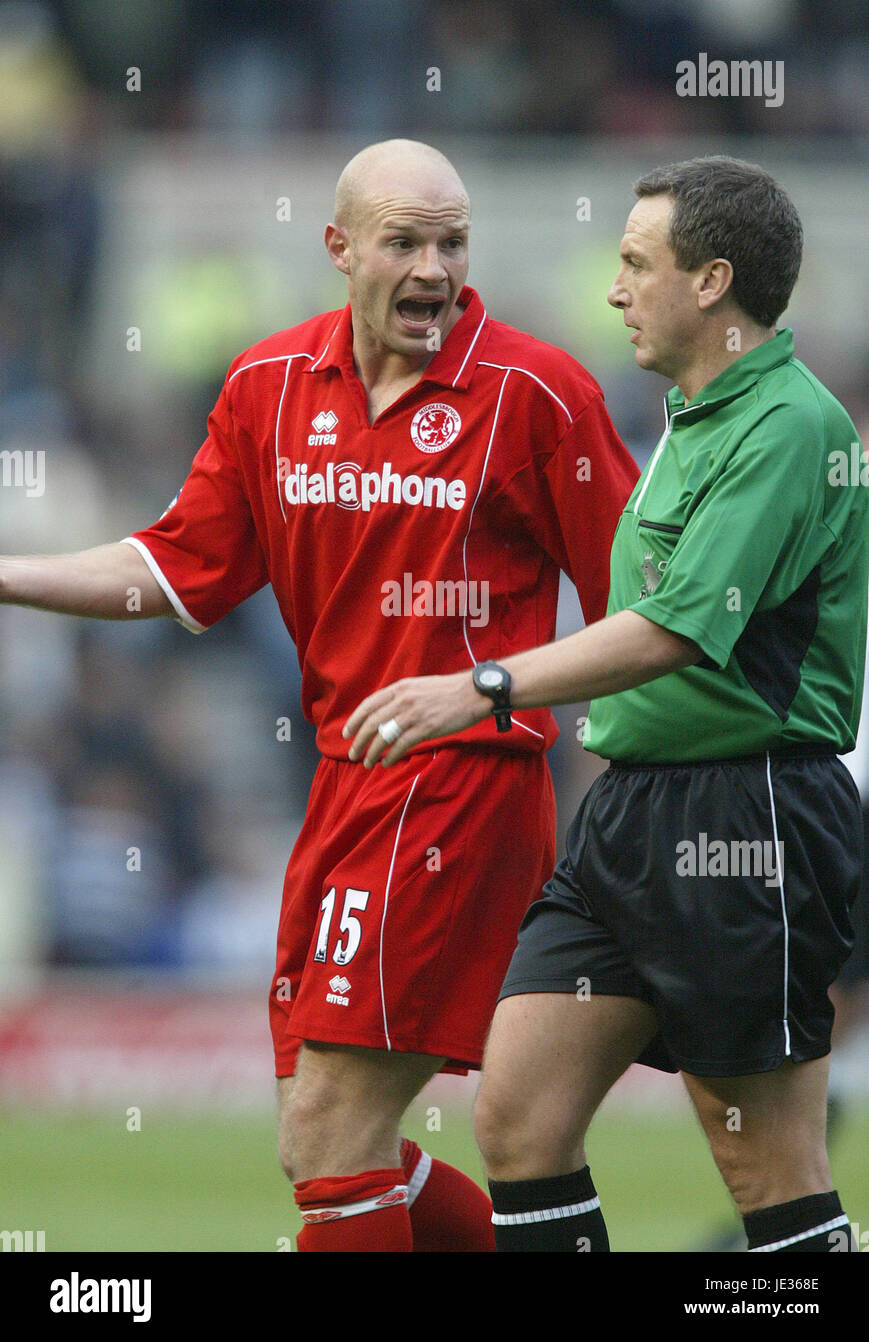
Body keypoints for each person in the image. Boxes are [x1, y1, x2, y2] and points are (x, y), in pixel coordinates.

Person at [0, 138, 639, 1251]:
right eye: (404, 241)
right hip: (344, 786)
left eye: (452, 242)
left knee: (336, 1128)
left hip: (461, 786)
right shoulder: (267, 385)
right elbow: (171, 568)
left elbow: (641, 604)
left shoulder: (536, 393)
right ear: (340, 249)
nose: (433, 268)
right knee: (321, 1141)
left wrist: (621, 772)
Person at [346, 156, 869, 1253]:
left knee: (763, 1164)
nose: (615, 288)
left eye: (635, 263)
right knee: (519, 1116)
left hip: (746, 817)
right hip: (632, 817)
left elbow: (678, 628)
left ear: (712, 280)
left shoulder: (785, 426)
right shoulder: (691, 411)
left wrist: (482, 685)